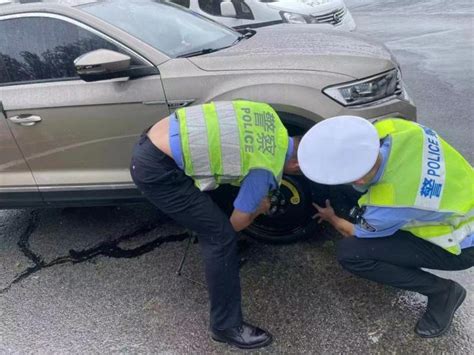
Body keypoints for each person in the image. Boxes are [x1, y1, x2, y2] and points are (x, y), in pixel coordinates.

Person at [130, 100, 301, 349]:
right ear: (296, 165)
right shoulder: (265, 167)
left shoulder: (270, 117)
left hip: (157, 137)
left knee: (219, 209)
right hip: (157, 172)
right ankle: (225, 327)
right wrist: (258, 210)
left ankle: (222, 260)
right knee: (221, 237)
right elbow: (237, 223)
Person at [298, 116, 473, 338]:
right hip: (461, 197)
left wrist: (331, 217)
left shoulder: (391, 201)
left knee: (351, 253)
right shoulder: (395, 128)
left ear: (360, 180)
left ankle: (443, 292)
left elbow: (353, 231)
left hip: (462, 245)